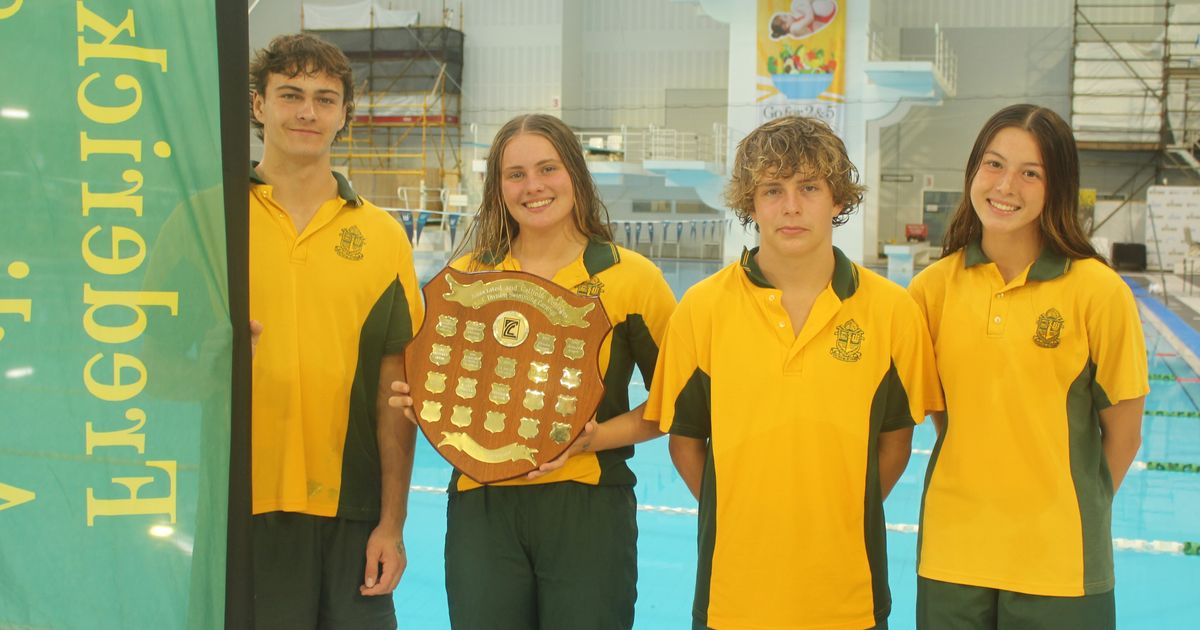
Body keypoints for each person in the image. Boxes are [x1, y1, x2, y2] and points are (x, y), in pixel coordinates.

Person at [644, 115, 941, 630]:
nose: (791, 206)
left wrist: (837, 513)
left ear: (839, 199)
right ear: (749, 203)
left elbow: (896, 442)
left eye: (809, 187)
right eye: (772, 189)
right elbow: (685, 442)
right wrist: (747, 514)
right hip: (733, 596)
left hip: (849, 596)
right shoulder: (703, 308)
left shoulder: (892, 311)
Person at [390, 113, 676, 629]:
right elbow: (443, 380)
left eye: (548, 168)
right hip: (483, 506)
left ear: (575, 175)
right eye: (515, 174)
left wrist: (593, 439)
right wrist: (427, 405)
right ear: (498, 189)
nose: (534, 186)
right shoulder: (466, 280)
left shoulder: (631, 279)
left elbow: (676, 403)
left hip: (588, 505)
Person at [908, 104, 1149, 629]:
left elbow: (1125, 435)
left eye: (1030, 172)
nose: (1006, 185)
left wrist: (1061, 509)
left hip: (1059, 562)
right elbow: (947, 417)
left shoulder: (1098, 292)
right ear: (973, 172)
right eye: (993, 165)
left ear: (1056, 186)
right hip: (954, 551)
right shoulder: (932, 290)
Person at [248, 33, 424, 630]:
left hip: (352, 513)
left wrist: (392, 523)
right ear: (258, 105)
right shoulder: (208, 221)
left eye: (325, 99)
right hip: (240, 513)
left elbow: (396, 392)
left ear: (344, 115)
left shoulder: (382, 238)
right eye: (291, 94)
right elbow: (158, 371)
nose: (307, 112)